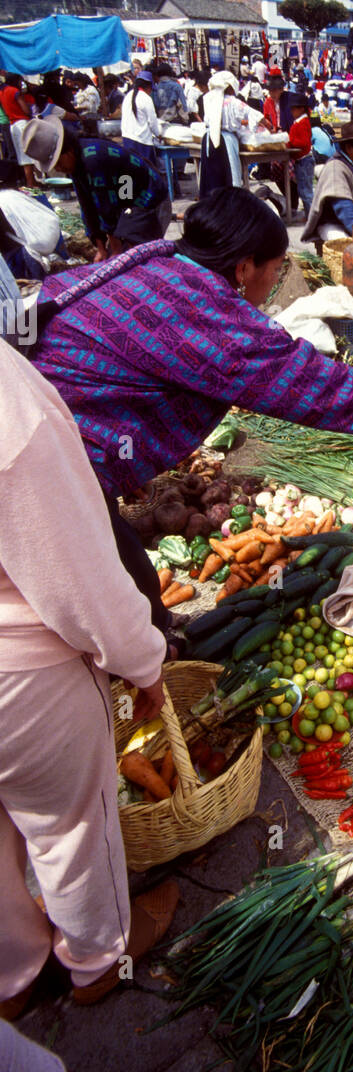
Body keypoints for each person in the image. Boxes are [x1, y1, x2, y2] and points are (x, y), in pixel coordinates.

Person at [30, 188, 353, 629]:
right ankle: (135, 669)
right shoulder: (203, 310)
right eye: (278, 268)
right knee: (103, 592)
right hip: (43, 455)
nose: (278, 279)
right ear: (244, 267)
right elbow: (311, 383)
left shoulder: (158, 263)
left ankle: (147, 642)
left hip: (41, 425)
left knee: (122, 576)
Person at [0, 338, 179, 1016]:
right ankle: (97, 960)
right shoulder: (8, 404)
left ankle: (12, 980)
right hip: (21, 674)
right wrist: (143, 663)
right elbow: (82, 583)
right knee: (70, 824)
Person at [21, 118, 169, 261]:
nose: (59, 169)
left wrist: (115, 249)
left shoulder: (93, 158)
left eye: (59, 163)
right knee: (122, 254)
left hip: (147, 196)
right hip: (125, 199)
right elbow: (87, 206)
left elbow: (107, 209)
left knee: (141, 256)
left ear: (68, 150)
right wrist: (101, 248)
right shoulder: (76, 165)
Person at [199, 70, 260, 195]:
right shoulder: (233, 101)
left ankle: (211, 208)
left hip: (208, 140)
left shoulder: (208, 98)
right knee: (229, 176)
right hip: (225, 142)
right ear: (230, 87)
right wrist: (269, 125)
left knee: (211, 178)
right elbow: (253, 114)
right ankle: (230, 208)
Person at [1, 75, 37, 187]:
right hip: (22, 123)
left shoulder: (2, 92)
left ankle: (32, 182)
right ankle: (31, 185)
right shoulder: (15, 91)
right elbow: (26, 110)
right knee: (28, 158)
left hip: (13, 125)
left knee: (22, 156)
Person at [120, 70, 161, 163]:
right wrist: (159, 135)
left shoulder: (128, 96)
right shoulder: (146, 99)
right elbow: (153, 122)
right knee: (146, 171)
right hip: (142, 142)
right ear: (148, 87)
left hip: (127, 139)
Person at [287, 93, 315, 217]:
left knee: (306, 191)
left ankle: (312, 216)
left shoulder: (302, 123)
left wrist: (290, 142)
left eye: (294, 108)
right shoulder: (299, 122)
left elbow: (304, 143)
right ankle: (309, 214)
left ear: (301, 109)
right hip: (302, 160)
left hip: (304, 160)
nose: (292, 111)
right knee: (303, 189)